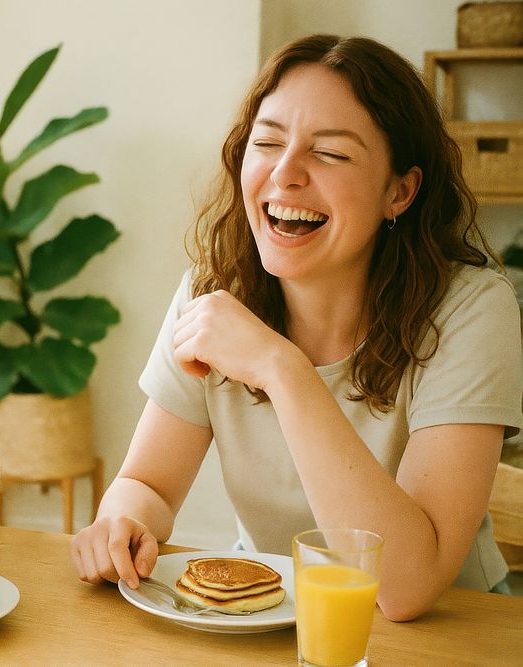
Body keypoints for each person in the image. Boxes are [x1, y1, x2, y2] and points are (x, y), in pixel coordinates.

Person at [71, 34, 522, 621]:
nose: (285, 174)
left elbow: (405, 589)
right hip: (270, 616)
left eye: (331, 154)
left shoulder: (471, 308)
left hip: (447, 632)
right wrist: (124, 522)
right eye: (267, 142)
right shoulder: (214, 294)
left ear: (400, 191)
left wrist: (281, 368)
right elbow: (150, 485)